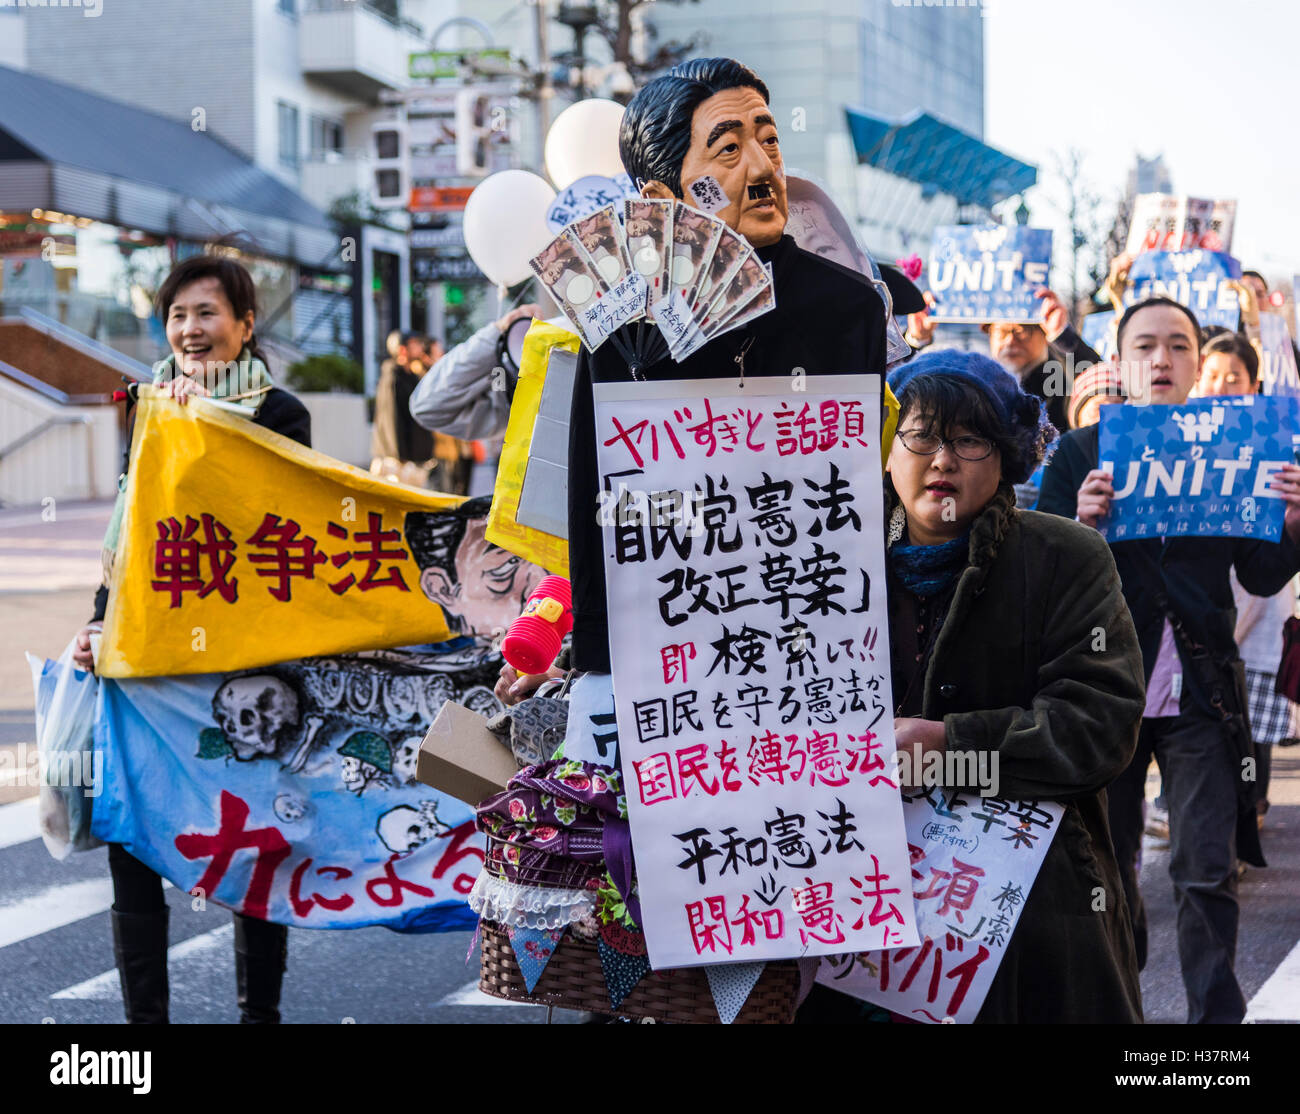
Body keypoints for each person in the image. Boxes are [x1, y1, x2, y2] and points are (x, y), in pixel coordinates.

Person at [802, 349, 1146, 1022]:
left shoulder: (1067, 556)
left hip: (1029, 918)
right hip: (852, 905)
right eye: (922, 434)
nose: (942, 459)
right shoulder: (820, 562)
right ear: (884, 447)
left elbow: (1098, 727)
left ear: (1009, 454)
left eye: (970, 439)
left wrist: (949, 745)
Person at [568, 57, 891, 683]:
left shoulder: (848, 306)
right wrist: (597, 673)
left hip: (813, 632)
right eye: (728, 150)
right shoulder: (623, 322)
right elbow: (594, 502)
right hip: (670, 638)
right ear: (662, 197)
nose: (764, 168)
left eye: (770, 140)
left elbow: (860, 494)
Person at [1037, 295, 1300, 1023]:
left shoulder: (1235, 449)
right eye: (1146, 345)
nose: (1163, 359)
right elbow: (1034, 569)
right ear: (1119, 363)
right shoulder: (1078, 454)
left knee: (1204, 870)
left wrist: (1295, 523)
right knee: (1108, 869)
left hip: (1202, 687)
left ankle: (1214, 1031)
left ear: (1196, 362)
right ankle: (1121, 1009)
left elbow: (1262, 573)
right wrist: (1077, 523)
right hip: (1103, 688)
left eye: (1179, 346)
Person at [71, 255, 310, 1024]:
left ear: (244, 326)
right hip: (150, 651)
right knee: (132, 831)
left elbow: (283, 533)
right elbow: (130, 527)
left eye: (207, 314)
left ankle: (259, 1015)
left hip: (246, 662)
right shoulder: (150, 407)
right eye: (177, 315)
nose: (190, 330)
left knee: (255, 841)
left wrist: (201, 423)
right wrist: (99, 617)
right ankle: (146, 1024)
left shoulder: (280, 414)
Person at [1196, 330, 1291, 829]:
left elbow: (1268, 558)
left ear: (1255, 385)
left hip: (1257, 600)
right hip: (1204, 608)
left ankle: (1249, 811)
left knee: (1250, 717)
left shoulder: (1272, 446)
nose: (1220, 387)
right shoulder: (1172, 443)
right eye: (1211, 376)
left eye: (1233, 378)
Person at [409, 305, 544, 443]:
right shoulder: (502, 388)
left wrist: (495, 335)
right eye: (438, 353)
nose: (441, 355)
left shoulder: (498, 377)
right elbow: (424, 408)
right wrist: (495, 335)